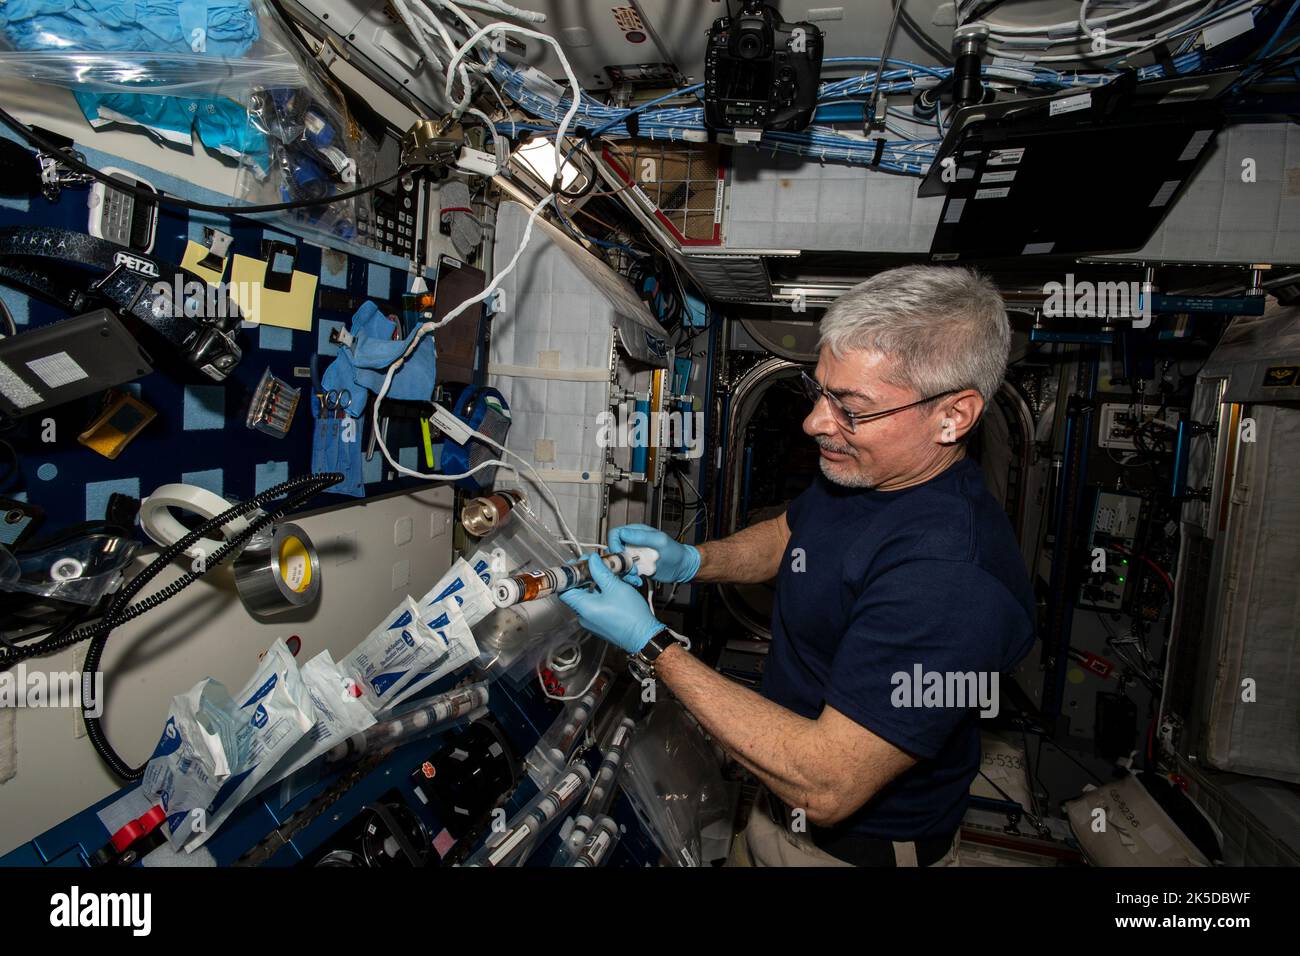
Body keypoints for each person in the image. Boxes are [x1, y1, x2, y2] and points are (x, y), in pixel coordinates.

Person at [560, 265, 1036, 867]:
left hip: (848, 852)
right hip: (774, 804)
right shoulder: (870, 473)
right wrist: (688, 563)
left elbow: (827, 783)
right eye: (820, 392)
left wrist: (651, 645)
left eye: (850, 406)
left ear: (954, 416)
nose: (815, 423)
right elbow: (792, 535)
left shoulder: (951, 579)